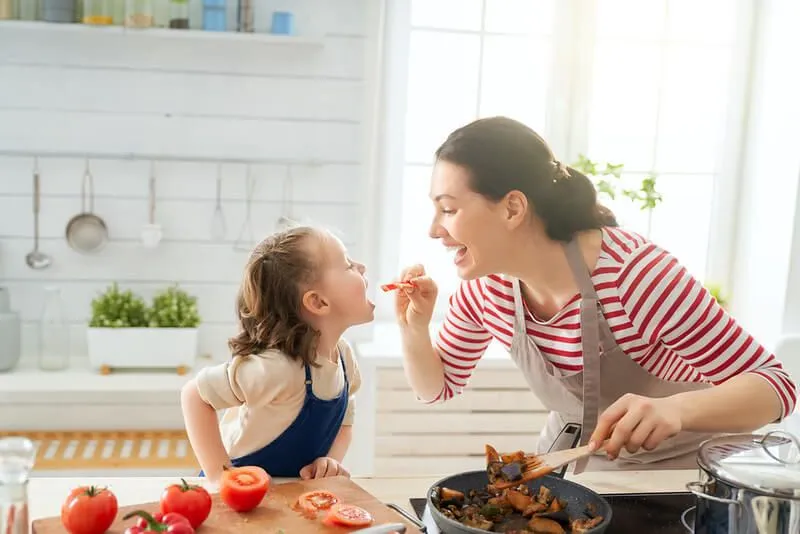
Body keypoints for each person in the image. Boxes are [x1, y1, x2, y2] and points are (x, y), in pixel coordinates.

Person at [392, 116, 797, 472]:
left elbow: (777, 388)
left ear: (513, 208)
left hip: (677, 473)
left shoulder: (636, 278)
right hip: (573, 464)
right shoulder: (486, 290)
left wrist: (675, 410)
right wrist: (414, 329)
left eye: (448, 209)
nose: (434, 229)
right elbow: (436, 388)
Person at [181, 225, 374, 481]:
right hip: (236, 496)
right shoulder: (278, 368)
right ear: (318, 302)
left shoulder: (344, 358)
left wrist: (330, 462)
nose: (362, 267)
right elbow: (195, 395)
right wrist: (220, 478)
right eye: (348, 265)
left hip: (287, 495)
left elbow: (344, 421)